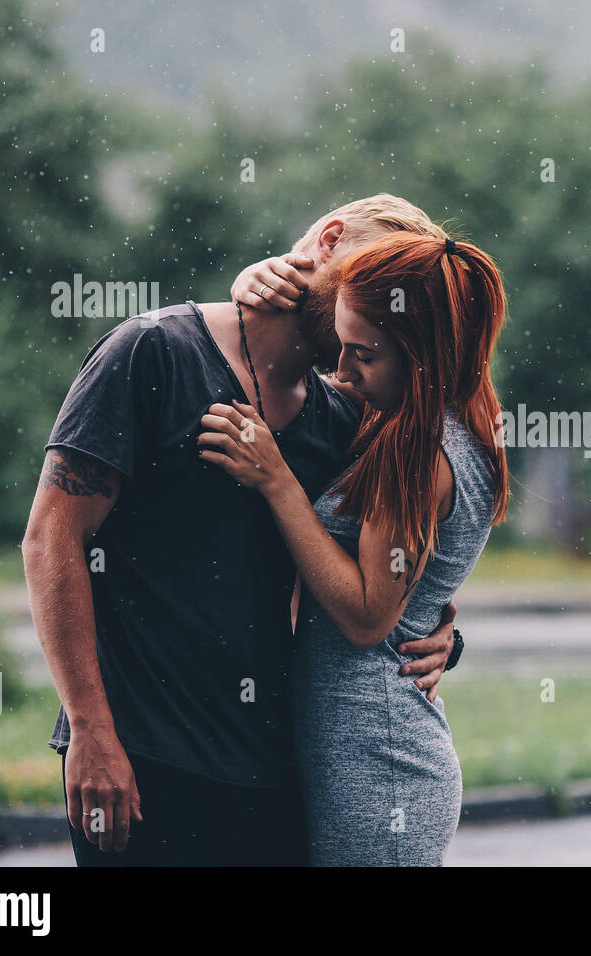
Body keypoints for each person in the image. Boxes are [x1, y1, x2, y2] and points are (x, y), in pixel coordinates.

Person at [21, 194, 461, 866]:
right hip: (143, 757)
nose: (372, 316)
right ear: (329, 241)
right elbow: (52, 540)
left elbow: (373, 571)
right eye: (369, 289)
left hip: (275, 767)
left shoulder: (342, 419)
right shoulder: (152, 351)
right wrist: (90, 730)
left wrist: (443, 633)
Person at [198, 230, 509, 865]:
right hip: (376, 746)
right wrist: (252, 290)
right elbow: (416, 588)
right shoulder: (457, 420)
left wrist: (274, 479)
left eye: (363, 355)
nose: (339, 372)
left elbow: (369, 617)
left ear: (423, 357)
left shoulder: (415, 453)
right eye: (340, 345)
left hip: (377, 765)